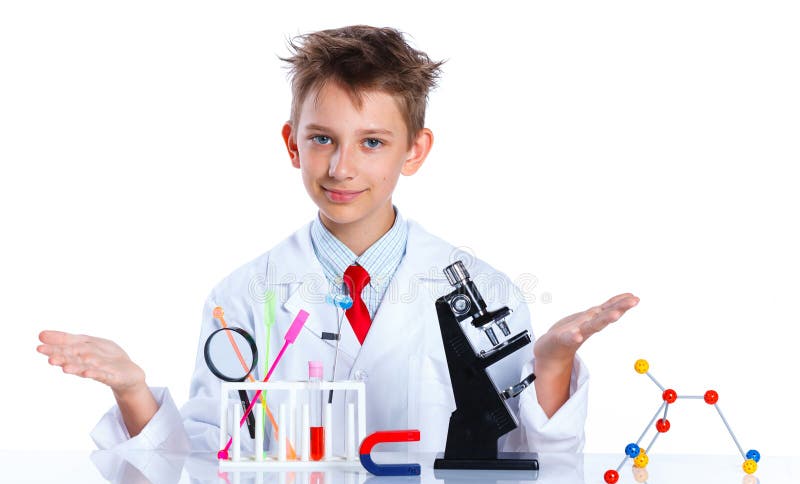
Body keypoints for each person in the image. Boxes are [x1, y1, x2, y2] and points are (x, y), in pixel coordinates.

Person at [36, 25, 638, 455]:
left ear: (416, 150)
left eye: (372, 142)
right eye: (322, 138)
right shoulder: (243, 295)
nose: (341, 167)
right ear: (292, 143)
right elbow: (202, 466)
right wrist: (134, 391)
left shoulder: (487, 291)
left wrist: (553, 364)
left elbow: (534, 466)